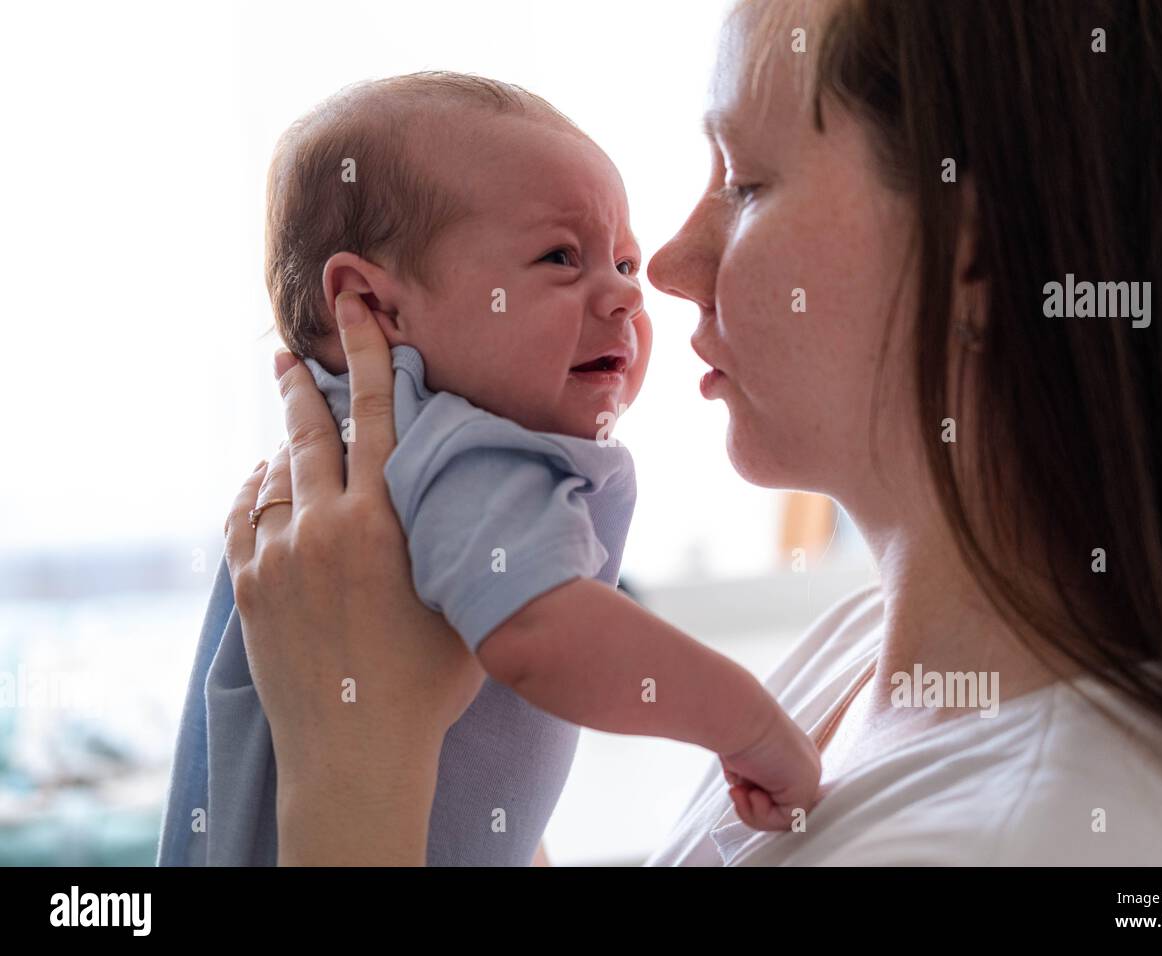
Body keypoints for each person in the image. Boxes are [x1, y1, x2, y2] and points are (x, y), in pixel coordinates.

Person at [219, 0, 1162, 865]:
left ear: (977, 253)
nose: (668, 273)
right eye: (561, 259)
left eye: (743, 181)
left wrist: (350, 771)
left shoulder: (1020, 833)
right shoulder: (853, 661)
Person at [158, 71, 817, 868]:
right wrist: (748, 722)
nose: (623, 298)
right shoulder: (455, 443)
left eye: (626, 262)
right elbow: (543, 635)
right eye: (560, 257)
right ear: (372, 307)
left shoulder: (370, 453)